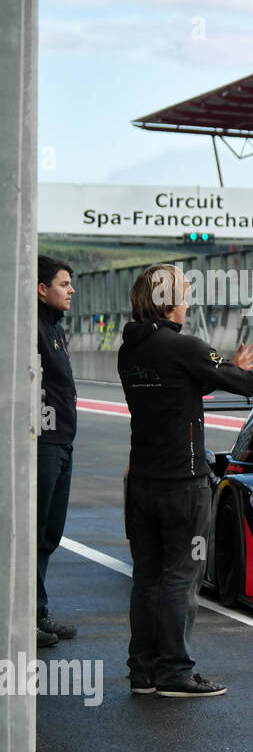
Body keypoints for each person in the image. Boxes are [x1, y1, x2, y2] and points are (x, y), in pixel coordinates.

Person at [119, 263, 253, 697]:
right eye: (185, 293)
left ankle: (144, 672)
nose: (188, 301)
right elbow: (250, 384)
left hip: (143, 482)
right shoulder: (184, 345)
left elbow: (174, 389)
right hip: (183, 484)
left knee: (148, 577)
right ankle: (175, 673)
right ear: (169, 301)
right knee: (181, 579)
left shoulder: (130, 347)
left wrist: (223, 368)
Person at [36, 255, 80, 648]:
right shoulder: (29, 328)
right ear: (41, 288)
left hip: (62, 441)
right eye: (64, 284)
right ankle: (25, 616)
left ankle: (38, 612)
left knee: (50, 533)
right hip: (42, 443)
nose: (71, 291)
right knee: (33, 533)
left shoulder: (55, 328)